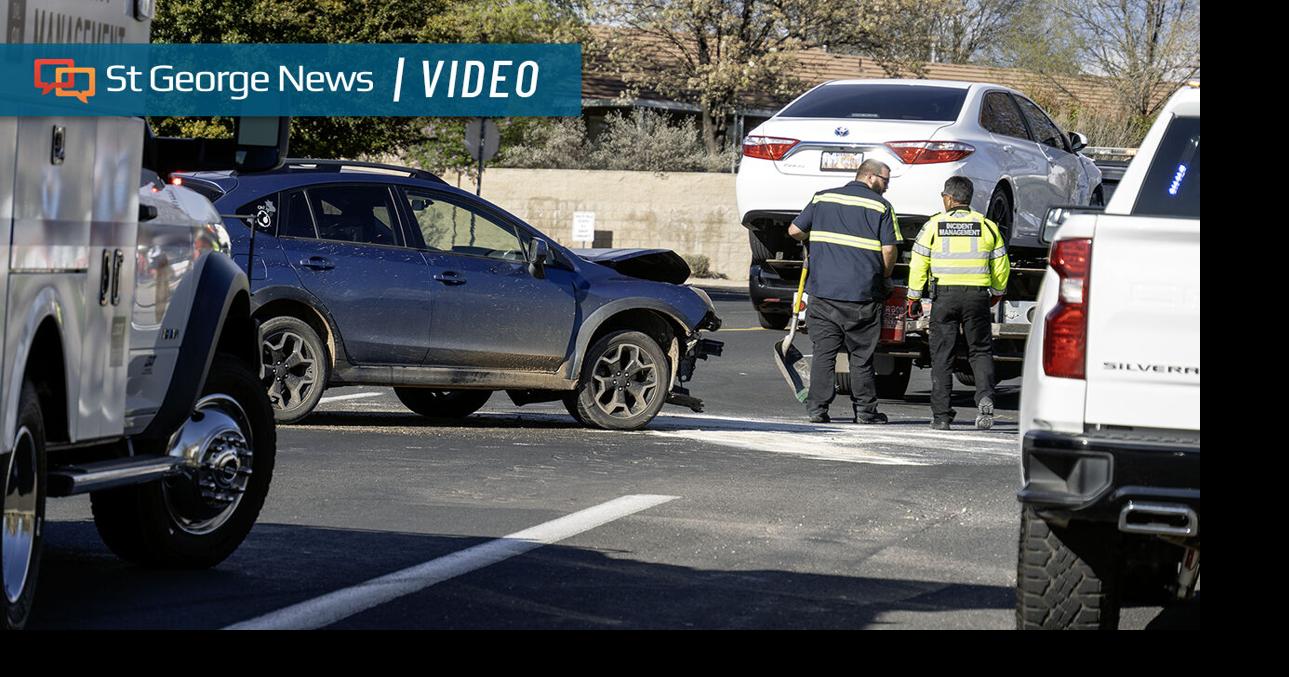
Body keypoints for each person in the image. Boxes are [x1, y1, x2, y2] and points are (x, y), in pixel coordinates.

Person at [788, 159, 901, 424]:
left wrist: (812, 240)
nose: (887, 187)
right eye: (886, 181)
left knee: (824, 353)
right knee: (861, 356)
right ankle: (865, 411)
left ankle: (817, 409)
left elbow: (794, 230)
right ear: (871, 177)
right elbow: (888, 249)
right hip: (861, 295)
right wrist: (884, 276)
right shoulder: (881, 206)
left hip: (823, 294)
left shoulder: (822, 198)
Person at [906, 176, 1010, 430]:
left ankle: (941, 416)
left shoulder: (934, 225)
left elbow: (919, 262)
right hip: (977, 296)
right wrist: (997, 291)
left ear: (949, 199)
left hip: (945, 296)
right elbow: (1000, 263)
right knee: (980, 350)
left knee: (943, 355)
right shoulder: (987, 226)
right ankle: (984, 397)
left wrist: (914, 296)